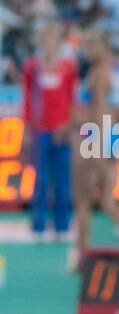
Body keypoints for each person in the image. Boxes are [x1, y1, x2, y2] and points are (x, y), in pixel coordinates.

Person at [21, 23, 78, 239]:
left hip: (61, 130)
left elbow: (71, 99)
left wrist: (69, 125)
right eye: (45, 40)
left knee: (62, 180)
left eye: (52, 40)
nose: (49, 45)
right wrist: (27, 128)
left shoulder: (67, 68)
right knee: (41, 179)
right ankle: (39, 224)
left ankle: (62, 225)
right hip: (40, 130)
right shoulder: (32, 68)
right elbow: (26, 99)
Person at [69, 29, 119, 268]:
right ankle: (82, 254)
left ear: (103, 47)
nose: (86, 49)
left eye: (91, 44)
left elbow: (98, 110)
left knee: (83, 201)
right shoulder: (110, 71)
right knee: (107, 202)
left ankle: (83, 256)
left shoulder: (99, 73)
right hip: (109, 135)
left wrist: (95, 146)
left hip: (97, 137)